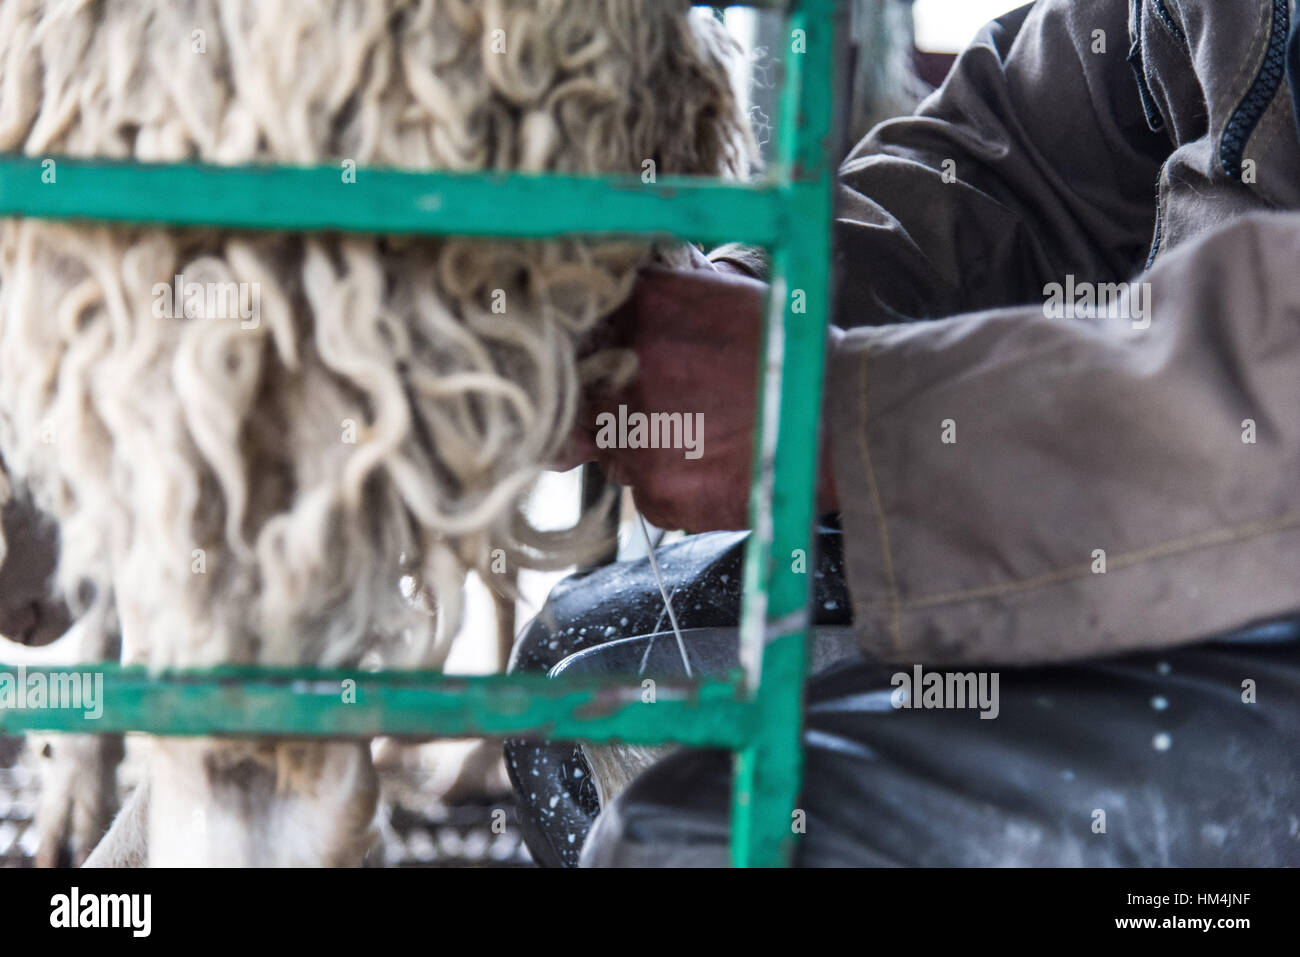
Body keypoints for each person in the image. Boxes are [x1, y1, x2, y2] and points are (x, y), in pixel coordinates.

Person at [510, 0, 1300, 865]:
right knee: (573, 678)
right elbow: (1030, 165)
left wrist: (855, 412)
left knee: (693, 839)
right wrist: (760, 305)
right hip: (1181, 502)